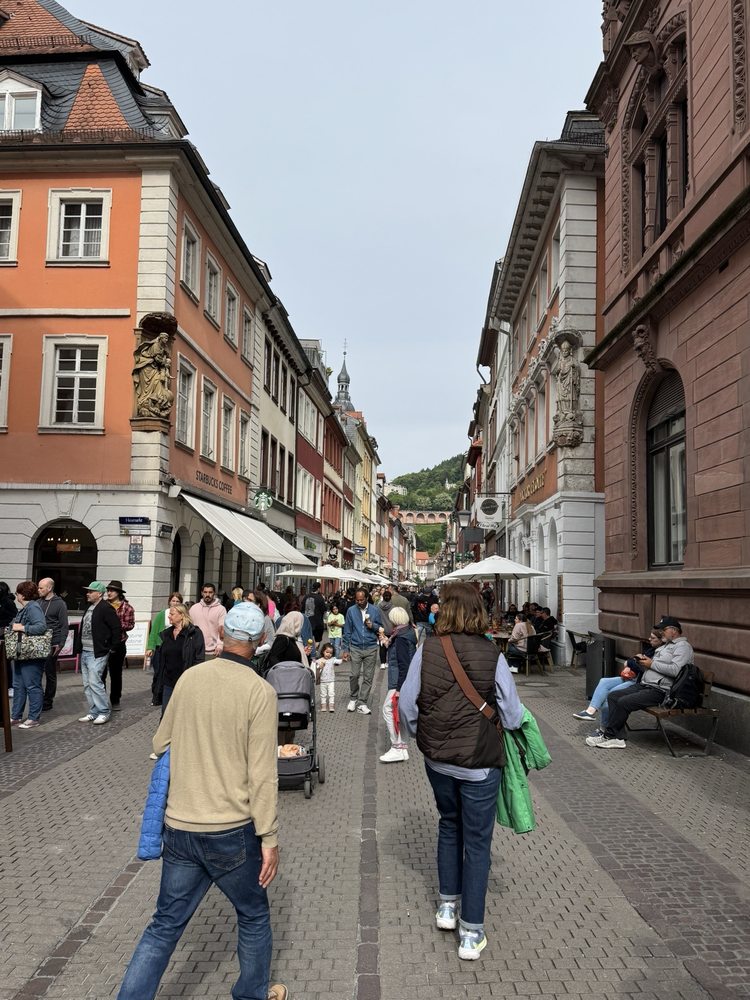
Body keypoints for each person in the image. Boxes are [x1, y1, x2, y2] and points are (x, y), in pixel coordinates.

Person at [116, 603, 287, 1000]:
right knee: (253, 915)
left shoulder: (191, 678)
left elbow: (160, 742)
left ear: (223, 633)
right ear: (261, 640)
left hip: (180, 825)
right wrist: (269, 837)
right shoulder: (260, 691)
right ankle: (251, 993)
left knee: (164, 925)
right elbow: (263, 773)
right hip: (231, 829)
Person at [399, 582, 524, 961]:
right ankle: (471, 932)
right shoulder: (492, 653)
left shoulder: (428, 648)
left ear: (445, 610)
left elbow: (407, 704)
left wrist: (424, 736)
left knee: (449, 825)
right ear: (478, 611)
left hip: (438, 760)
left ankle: (447, 907)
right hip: (480, 762)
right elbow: (512, 715)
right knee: (478, 843)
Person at [586, 617, 694, 750]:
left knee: (624, 702)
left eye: (664, 629)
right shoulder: (667, 645)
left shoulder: (683, 647)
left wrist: (651, 664)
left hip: (661, 691)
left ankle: (612, 736)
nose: (661, 632)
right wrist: (644, 661)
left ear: (674, 630)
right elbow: (657, 665)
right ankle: (616, 736)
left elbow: (676, 670)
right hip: (646, 685)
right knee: (613, 696)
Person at [573, 629, 663, 731]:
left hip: (639, 682)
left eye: (653, 638)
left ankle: (604, 729)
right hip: (632, 677)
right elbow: (635, 660)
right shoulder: (651, 649)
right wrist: (632, 663)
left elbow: (641, 667)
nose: (649, 639)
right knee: (604, 681)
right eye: (650, 637)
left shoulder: (660, 654)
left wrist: (630, 664)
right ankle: (590, 712)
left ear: (661, 640)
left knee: (612, 694)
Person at [77, 582, 121, 725]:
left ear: (99, 594)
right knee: (87, 684)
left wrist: (112, 647)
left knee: (95, 682)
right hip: (85, 651)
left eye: (91, 591)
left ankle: (104, 711)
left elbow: (116, 628)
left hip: (98, 652)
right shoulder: (89, 607)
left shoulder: (106, 608)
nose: (88, 594)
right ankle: (93, 711)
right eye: (88, 591)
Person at [379, 607, 417, 763]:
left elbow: (404, 664)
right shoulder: (405, 632)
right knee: (399, 714)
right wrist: (386, 640)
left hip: (399, 681)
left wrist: (400, 689)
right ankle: (402, 748)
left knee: (388, 710)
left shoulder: (400, 638)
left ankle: (397, 746)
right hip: (403, 680)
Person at [9, 581, 49, 729]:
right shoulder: (26, 608)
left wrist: (22, 627)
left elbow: (41, 626)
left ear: (23, 594)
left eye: (17, 593)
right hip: (22, 653)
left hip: (31, 654)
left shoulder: (33, 607)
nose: (16, 596)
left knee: (32, 686)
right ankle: (16, 716)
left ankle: (33, 718)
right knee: (18, 686)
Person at [157, 603, 205, 715]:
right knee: (166, 714)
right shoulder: (167, 634)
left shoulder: (194, 633)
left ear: (182, 615)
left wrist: (193, 679)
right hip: (168, 682)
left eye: (172, 614)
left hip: (185, 682)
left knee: (183, 714)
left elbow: (199, 659)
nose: (169, 616)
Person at [342, 587, 383, 715]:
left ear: (366, 598)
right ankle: (353, 698)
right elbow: (347, 630)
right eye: (357, 600)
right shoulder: (351, 611)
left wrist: (373, 626)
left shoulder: (375, 610)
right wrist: (345, 649)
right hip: (356, 647)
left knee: (368, 677)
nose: (359, 602)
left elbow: (381, 627)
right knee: (354, 675)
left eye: (361, 600)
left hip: (371, 647)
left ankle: (362, 702)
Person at [37, 577, 69, 712]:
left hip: (52, 643)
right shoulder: (38, 602)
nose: (38, 590)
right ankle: (38, 699)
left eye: (41, 588)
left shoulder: (60, 604)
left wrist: (61, 644)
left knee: (50, 673)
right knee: (37, 672)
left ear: (49, 588)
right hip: (38, 642)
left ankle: (48, 701)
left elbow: (64, 625)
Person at [103, 581, 135, 711]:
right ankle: (101, 701)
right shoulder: (103, 605)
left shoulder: (127, 608)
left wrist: (115, 625)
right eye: (108, 590)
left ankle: (115, 700)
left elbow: (130, 625)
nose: (109, 593)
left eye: (112, 590)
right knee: (101, 673)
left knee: (116, 674)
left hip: (119, 643)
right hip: (103, 643)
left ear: (118, 593)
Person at [145, 592, 183, 668]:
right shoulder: (162, 614)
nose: (175, 603)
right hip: (161, 646)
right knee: (159, 669)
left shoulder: (183, 615)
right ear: (169, 602)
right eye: (173, 601)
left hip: (177, 646)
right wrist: (150, 648)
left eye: (177, 601)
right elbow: (154, 632)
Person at [189, 583, 226, 658]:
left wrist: (220, 645)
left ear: (214, 593)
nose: (207, 594)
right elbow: (189, 627)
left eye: (210, 592)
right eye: (205, 592)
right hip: (196, 650)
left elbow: (222, 629)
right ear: (202, 593)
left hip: (214, 651)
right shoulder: (194, 608)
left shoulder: (221, 609)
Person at [0, 581, 17, 696]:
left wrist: (5, 627)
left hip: (4, 635)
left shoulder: (8, 602)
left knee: (6, 662)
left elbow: (14, 617)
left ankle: (10, 686)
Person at [315, 641, 339, 712]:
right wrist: (319, 666)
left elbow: (338, 661)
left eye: (330, 653)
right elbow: (316, 667)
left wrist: (343, 659)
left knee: (331, 693)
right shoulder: (320, 660)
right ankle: (323, 706)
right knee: (323, 694)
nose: (329, 654)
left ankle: (331, 706)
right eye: (327, 652)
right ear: (323, 652)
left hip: (331, 680)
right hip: (323, 681)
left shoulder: (332, 659)